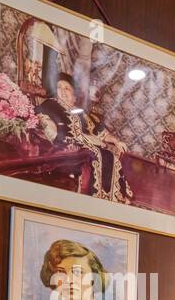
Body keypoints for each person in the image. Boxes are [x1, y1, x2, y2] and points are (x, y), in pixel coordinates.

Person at [34, 72, 130, 202]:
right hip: (64, 148)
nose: (62, 91)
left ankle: (110, 199)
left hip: (85, 146)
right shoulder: (48, 105)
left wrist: (116, 141)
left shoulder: (80, 112)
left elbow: (99, 131)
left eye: (67, 88)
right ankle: (93, 199)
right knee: (95, 154)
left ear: (74, 93)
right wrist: (71, 142)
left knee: (109, 155)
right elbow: (49, 129)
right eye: (59, 87)